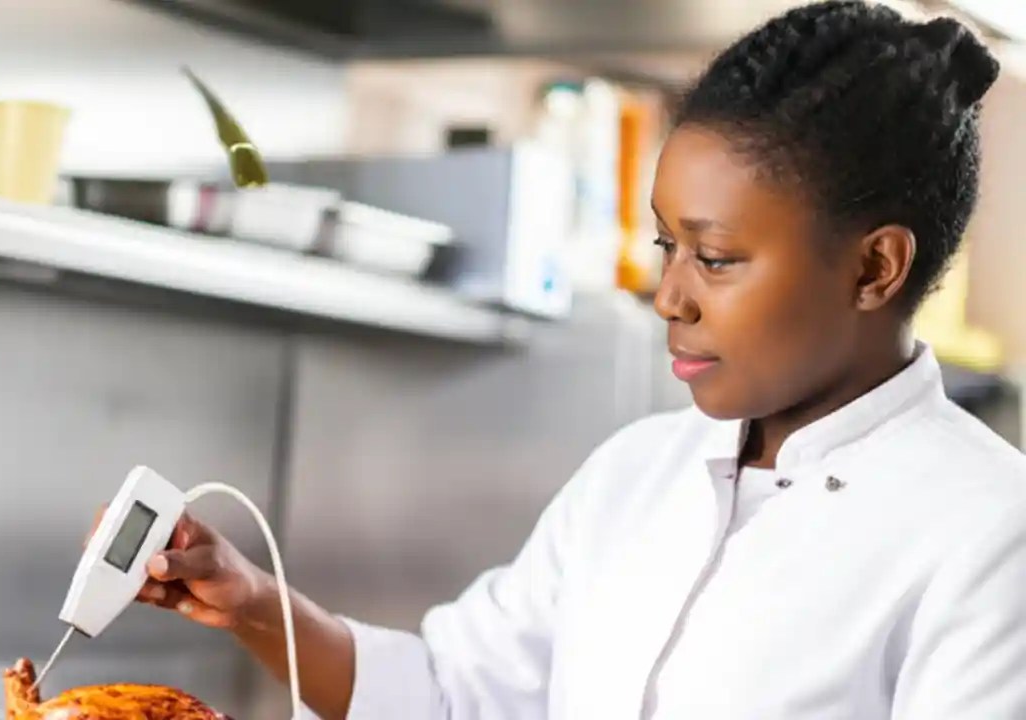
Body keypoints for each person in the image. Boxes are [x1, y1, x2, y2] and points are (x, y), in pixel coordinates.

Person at [119, 2, 1026, 717]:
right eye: (667, 245)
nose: (671, 295)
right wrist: (247, 603)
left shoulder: (986, 533)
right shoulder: (636, 474)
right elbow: (455, 697)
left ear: (875, 267)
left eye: (715, 258)